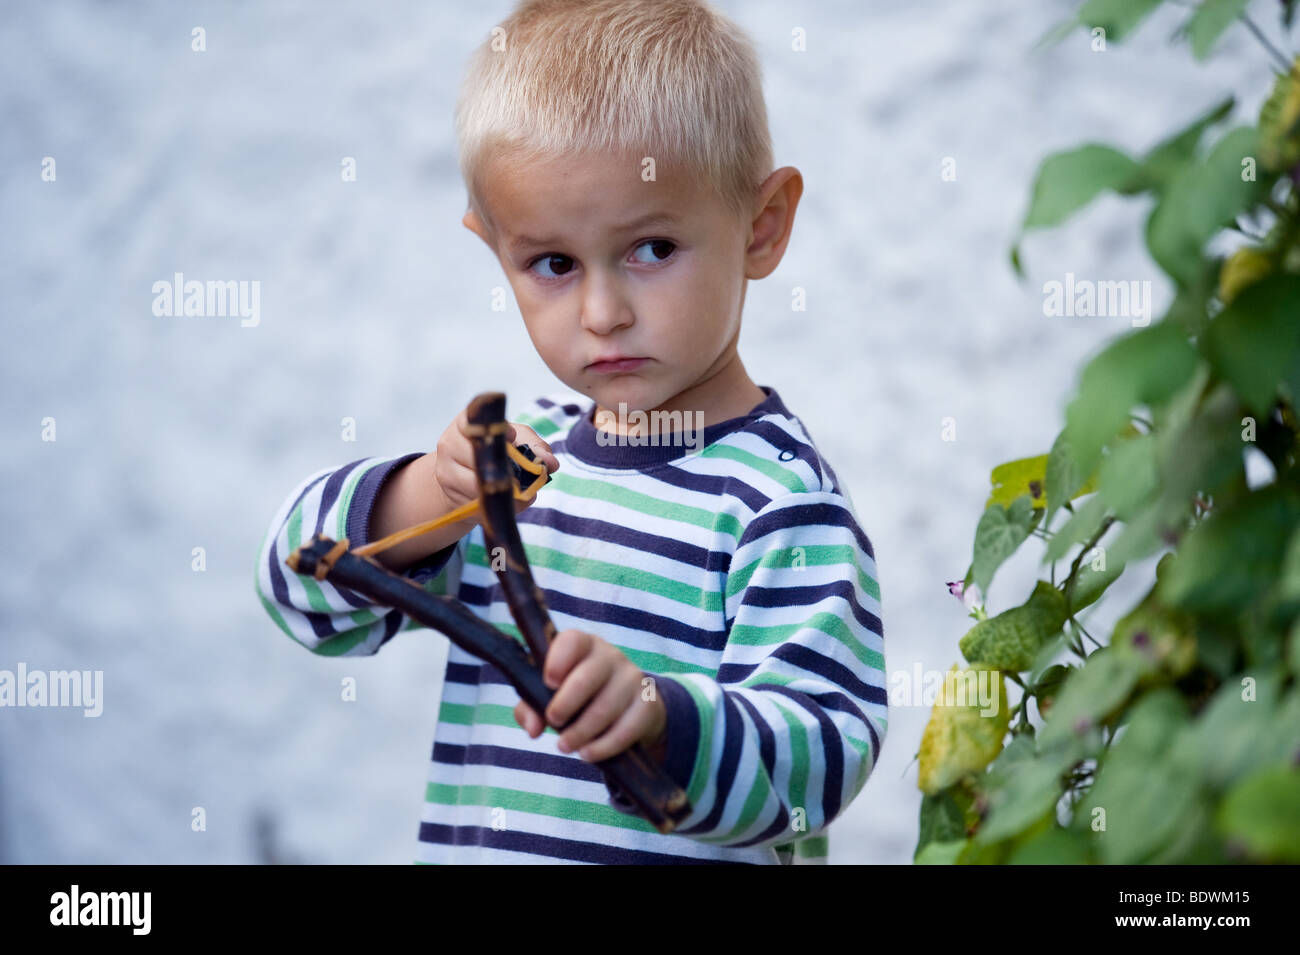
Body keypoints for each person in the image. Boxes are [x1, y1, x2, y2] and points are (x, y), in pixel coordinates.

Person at [255, 0, 886, 864]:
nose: (602, 313)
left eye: (652, 247)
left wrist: (659, 715)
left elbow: (820, 761)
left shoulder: (778, 500)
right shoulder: (515, 472)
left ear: (761, 224)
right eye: (553, 263)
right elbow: (301, 598)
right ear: (494, 247)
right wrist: (427, 498)